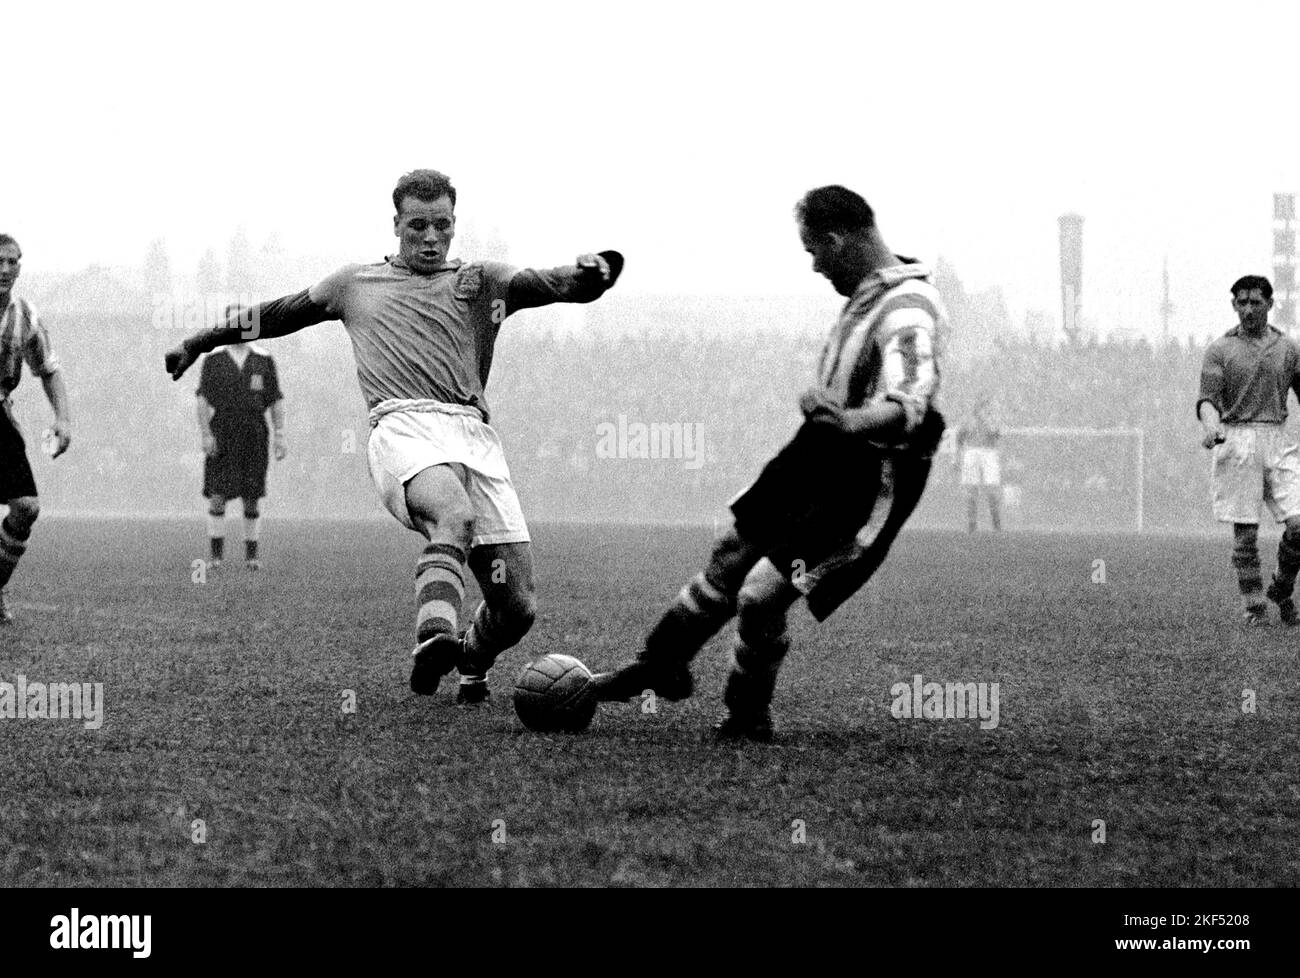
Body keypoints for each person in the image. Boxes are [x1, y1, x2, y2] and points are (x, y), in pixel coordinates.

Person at [166, 169, 622, 703]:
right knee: (452, 515)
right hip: (402, 427)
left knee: (516, 606)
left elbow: (558, 284)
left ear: (454, 224)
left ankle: (470, 660)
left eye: (442, 226)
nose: (430, 238)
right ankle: (434, 635)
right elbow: (277, 315)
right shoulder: (354, 286)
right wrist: (200, 340)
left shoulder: (484, 282)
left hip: (472, 434)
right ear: (397, 224)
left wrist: (598, 271)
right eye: (418, 226)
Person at [593, 185, 946, 741]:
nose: (813, 265)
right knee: (732, 547)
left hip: (869, 471)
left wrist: (852, 421)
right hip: (821, 449)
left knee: (761, 592)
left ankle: (746, 715)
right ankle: (661, 663)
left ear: (836, 239)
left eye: (813, 250)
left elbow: (911, 402)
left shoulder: (910, 308)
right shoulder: (868, 295)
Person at [1197, 274, 1300, 627]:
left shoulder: (1288, 349)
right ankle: (1255, 607)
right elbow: (1207, 400)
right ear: (1233, 305)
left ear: (1270, 304)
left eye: (1256, 301)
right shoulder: (1220, 349)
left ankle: (1282, 588)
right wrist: (1211, 426)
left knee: (1299, 526)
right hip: (1237, 439)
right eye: (1242, 302)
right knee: (1246, 534)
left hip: (1278, 438)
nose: (1248, 309)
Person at [0, 233, 72, 625]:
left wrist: (62, 419)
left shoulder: (24, 314)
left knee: (26, 508)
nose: (6, 269)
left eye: (13, 261)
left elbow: (48, 369)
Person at [195, 317, 287, 570]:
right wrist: (205, 434)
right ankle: (215, 558)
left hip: (254, 433)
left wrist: (279, 434)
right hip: (223, 430)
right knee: (217, 494)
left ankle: (252, 558)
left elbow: (275, 399)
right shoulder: (214, 359)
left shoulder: (263, 359)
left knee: (252, 495)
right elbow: (202, 399)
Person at [955, 399, 1002, 531]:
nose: (985, 410)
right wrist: (957, 457)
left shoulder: (992, 420)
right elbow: (959, 438)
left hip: (989, 452)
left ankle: (996, 524)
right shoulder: (967, 421)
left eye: (987, 408)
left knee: (992, 488)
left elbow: (997, 435)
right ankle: (972, 524)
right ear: (977, 409)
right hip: (971, 451)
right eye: (983, 408)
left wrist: (990, 423)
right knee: (971, 489)